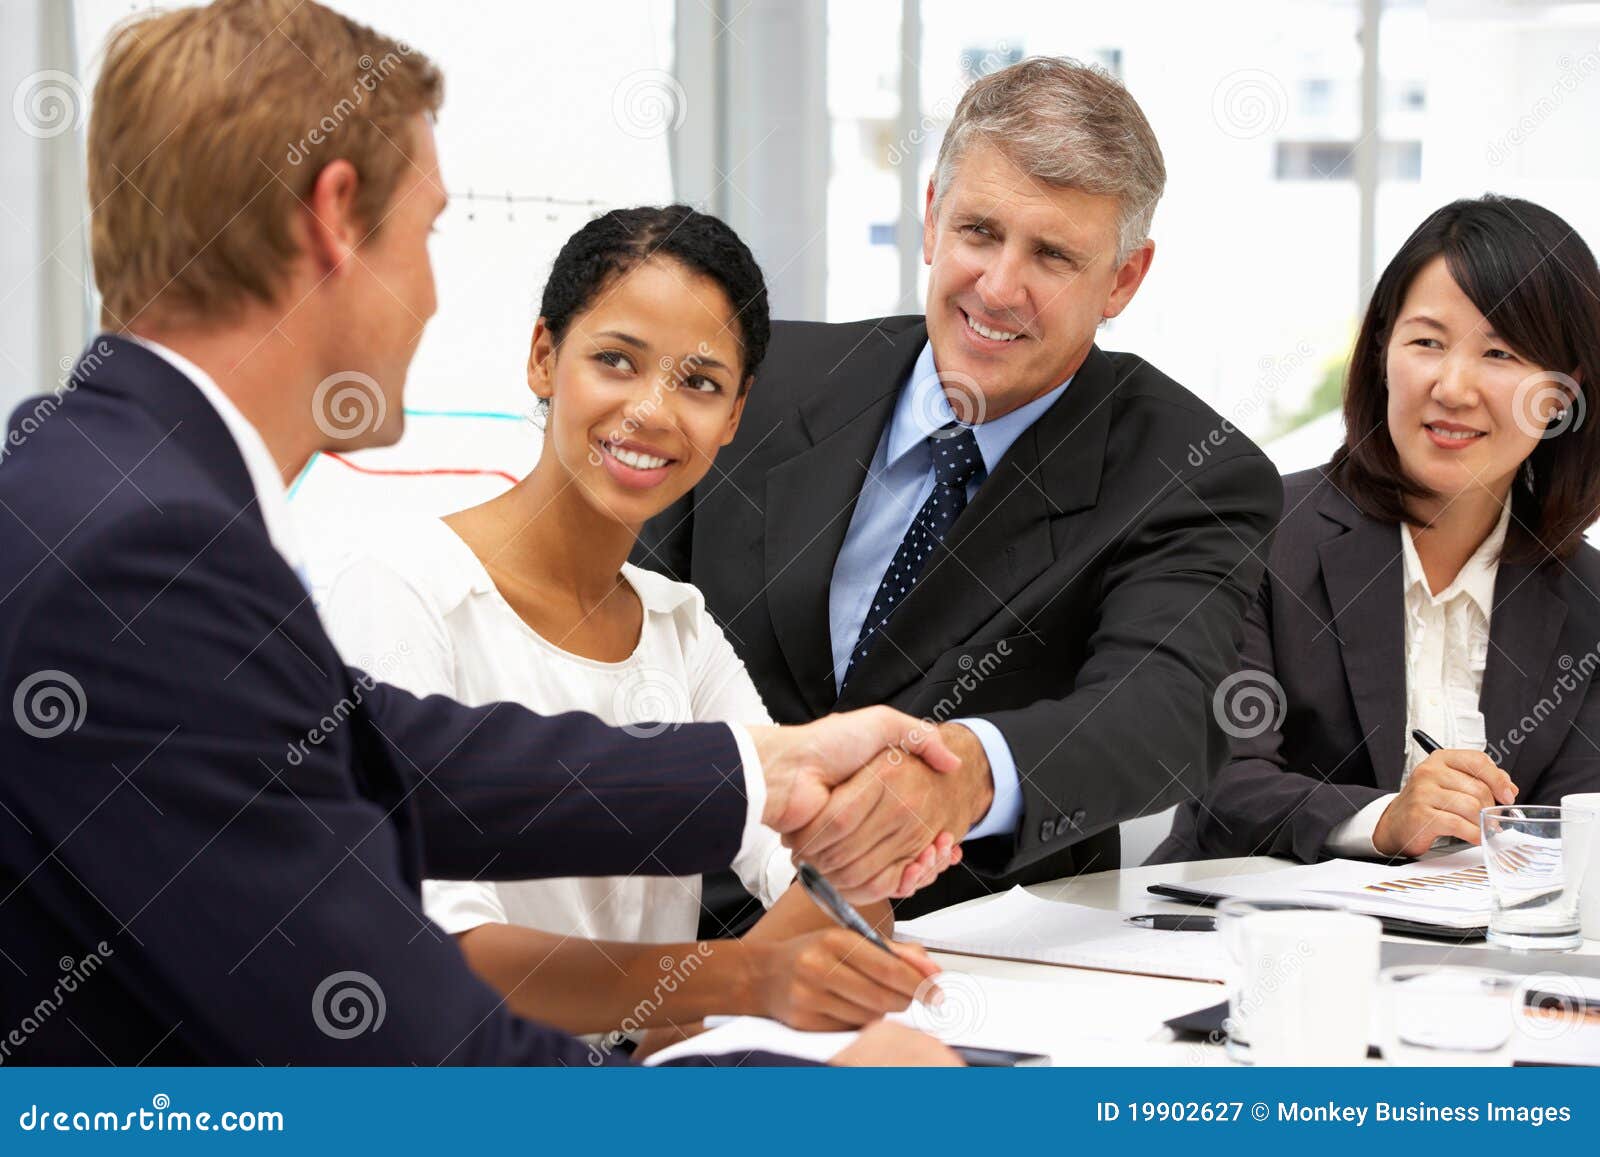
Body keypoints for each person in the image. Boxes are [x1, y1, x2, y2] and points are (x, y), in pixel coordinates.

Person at [0, 0, 959, 1066]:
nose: (429, 292)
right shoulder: (147, 560)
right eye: (427, 233)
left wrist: (769, 772)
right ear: (333, 214)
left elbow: (386, 756)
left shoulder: (100, 489)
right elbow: (406, 1049)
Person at [635, 56, 1283, 922]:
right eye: (979, 231)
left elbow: (1162, 712)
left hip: (964, 966)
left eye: (1052, 254)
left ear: (1125, 278)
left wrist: (967, 773)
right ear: (933, 214)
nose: (1000, 286)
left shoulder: (1193, 470)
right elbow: (617, 629)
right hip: (670, 937)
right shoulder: (755, 377)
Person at [322, 204, 954, 1044]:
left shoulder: (678, 627)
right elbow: (439, 957)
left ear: (734, 417)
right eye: (616, 360)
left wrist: (872, 840)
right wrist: (749, 978)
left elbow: (810, 875)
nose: (654, 411)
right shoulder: (405, 592)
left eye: (699, 382)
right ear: (544, 356)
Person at [1152, 195, 1600, 865]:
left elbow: (1573, 831)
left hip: (1473, 962)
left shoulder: (1585, 598)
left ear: (1563, 393)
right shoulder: (1256, 530)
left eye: (1501, 352)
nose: (1452, 386)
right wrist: (1386, 818)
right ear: (1382, 351)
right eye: (1427, 342)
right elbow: (1219, 783)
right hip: (1233, 941)